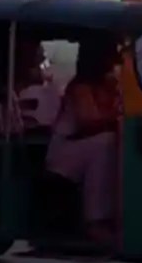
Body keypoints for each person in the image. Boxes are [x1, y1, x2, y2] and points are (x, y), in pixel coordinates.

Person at [45, 38, 122, 246]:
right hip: (66, 151)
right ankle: (95, 221)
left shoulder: (109, 86)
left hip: (83, 147)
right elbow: (89, 122)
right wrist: (117, 120)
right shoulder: (80, 87)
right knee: (106, 143)